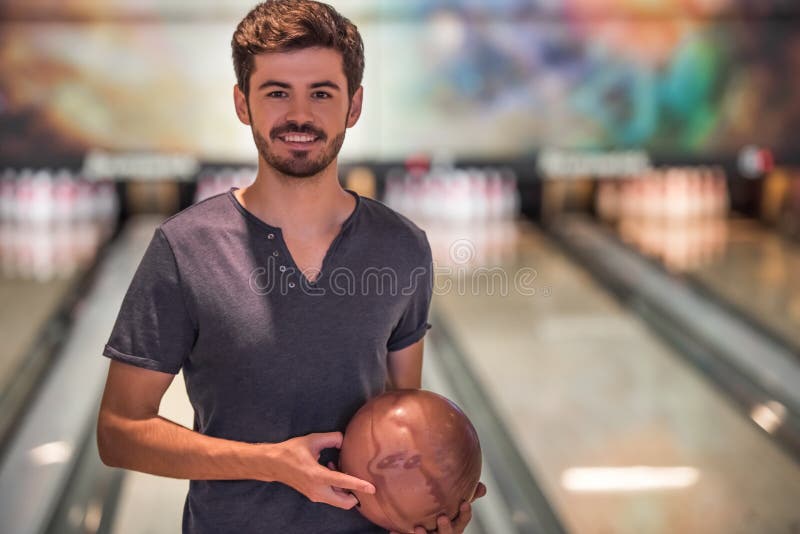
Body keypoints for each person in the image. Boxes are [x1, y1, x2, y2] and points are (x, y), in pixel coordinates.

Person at [96, 1, 485, 533]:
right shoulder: (184, 248)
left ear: (354, 105)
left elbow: (400, 418)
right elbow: (119, 431)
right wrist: (268, 464)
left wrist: (430, 498)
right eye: (277, 92)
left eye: (321, 93)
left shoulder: (402, 247)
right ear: (242, 103)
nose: (299, 115)